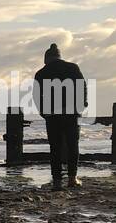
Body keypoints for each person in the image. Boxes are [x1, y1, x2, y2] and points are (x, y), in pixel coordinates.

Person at [33, 42, 84, 190]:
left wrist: (43, 112)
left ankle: (57, 181)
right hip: (71, 112)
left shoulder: (41, 73)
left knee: (55, 147)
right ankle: (72, 178)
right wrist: (82, 105)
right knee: (73, 145)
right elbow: (82, 87)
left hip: (52, 114)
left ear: (46, 59)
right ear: (60, 56)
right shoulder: (73, 68)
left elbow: (37, 96)